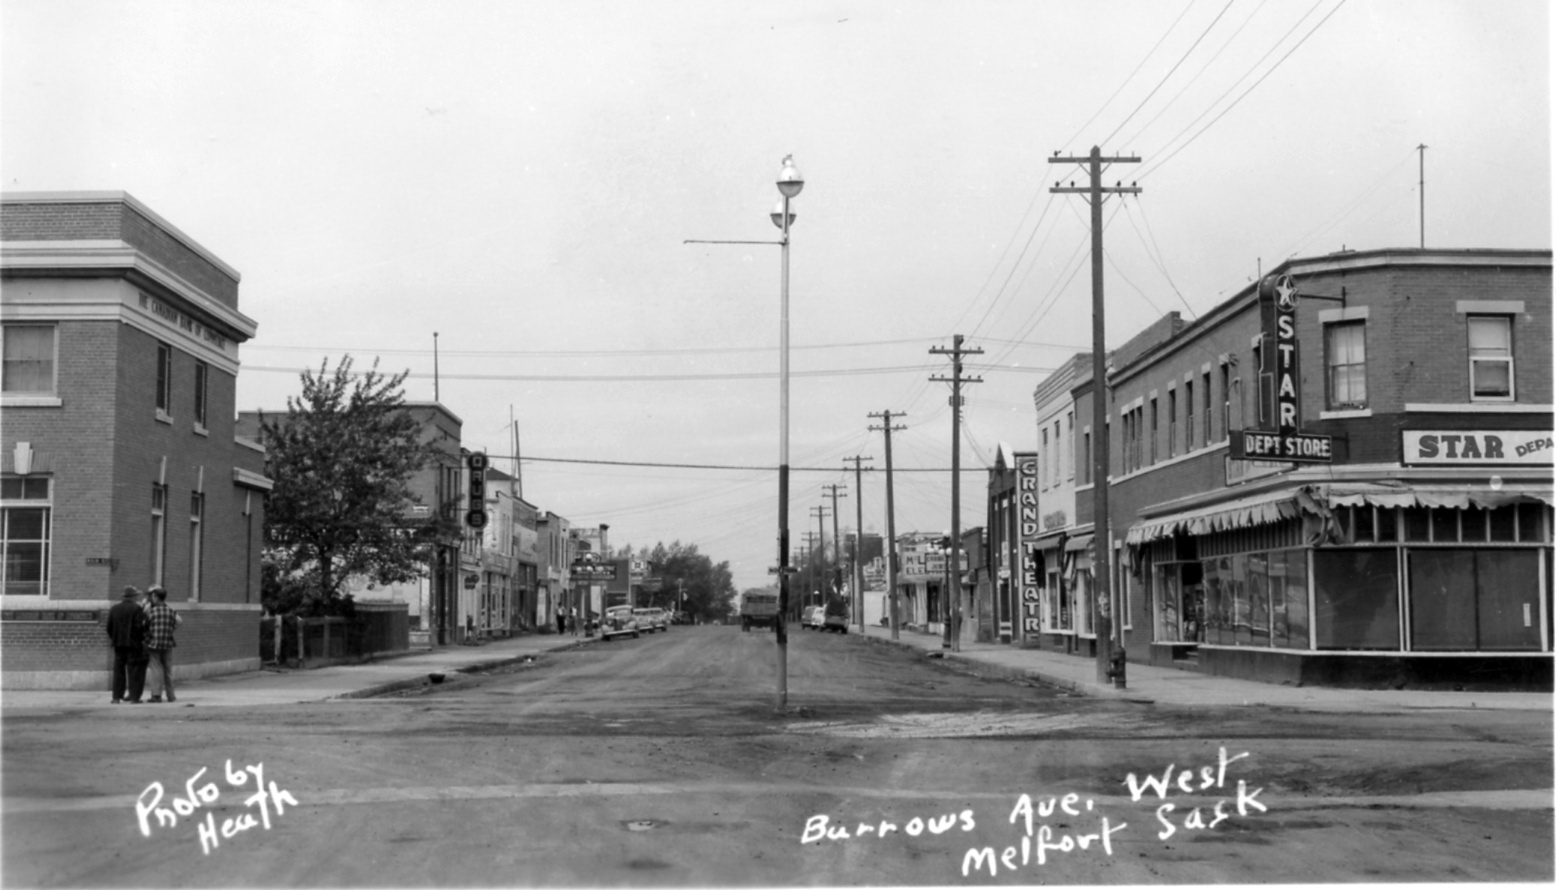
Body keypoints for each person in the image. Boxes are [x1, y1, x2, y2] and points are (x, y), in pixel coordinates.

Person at [105, 586, 148, 704]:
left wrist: (115, 638)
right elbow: (140, 627)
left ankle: (116, 697)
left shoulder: (114, 609)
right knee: (134, 671)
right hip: (133, 645)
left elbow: (109, 627)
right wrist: (140, 639)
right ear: (133, 596)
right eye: (136, 596)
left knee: (118, 671)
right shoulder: (137, 608)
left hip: (118, 644)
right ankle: (134, 697)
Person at [143, 586, 180, 703]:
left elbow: (144, 625)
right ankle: (171, 695)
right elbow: (179, 622)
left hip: (154, 643)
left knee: (156, 669)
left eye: (153, 596)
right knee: (168, 670)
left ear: (156, 597)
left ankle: (156, 695)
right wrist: (170, 630)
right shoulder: (171, 611)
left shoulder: (151, 611)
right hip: (168, 643)